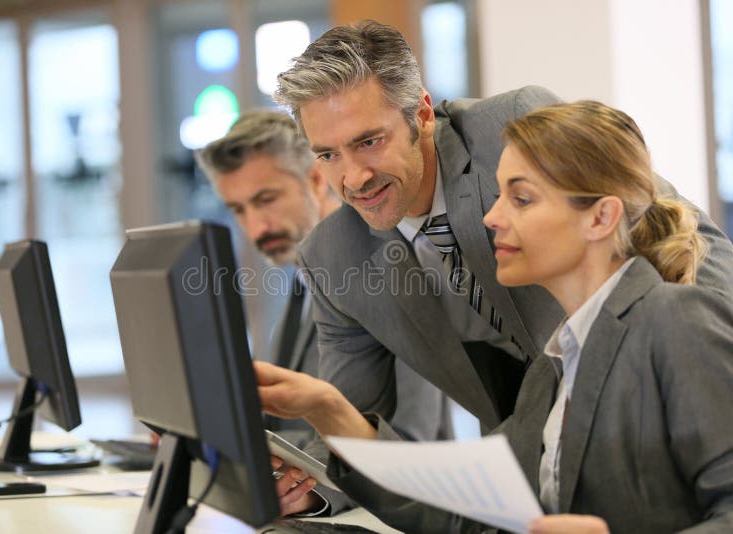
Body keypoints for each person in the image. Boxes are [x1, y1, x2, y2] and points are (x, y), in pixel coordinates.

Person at [265, 19, 733, 514]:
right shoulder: (334, 255)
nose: (353, 177)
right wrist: (303, 483)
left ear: (422, 113)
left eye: (369, 142)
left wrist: (706, 348)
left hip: (645, 427)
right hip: (529, 446)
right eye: (327, 154)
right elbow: (352, 418)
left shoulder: (511, 132)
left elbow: (673, 227)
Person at [197, 109, 453, 516]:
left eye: (266, 199)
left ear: (316, 180)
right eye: (238, 209)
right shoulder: (302, 284)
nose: (256, 226)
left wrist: (308, 489)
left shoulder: (391, 275)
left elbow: (408, 439)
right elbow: (287, 428)